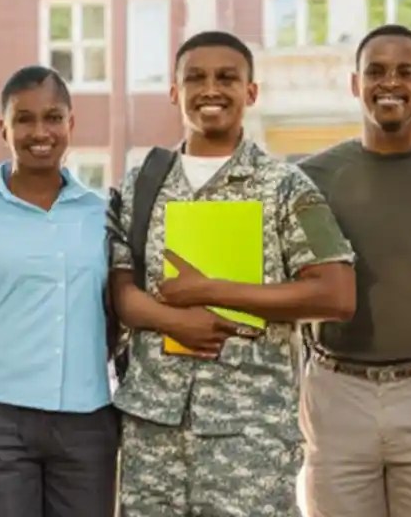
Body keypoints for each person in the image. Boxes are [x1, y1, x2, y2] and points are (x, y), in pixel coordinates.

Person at [107, 30, 357, 516]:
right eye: (195, 78)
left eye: (227, 78)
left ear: (251, 92)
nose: (211, 90)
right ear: (175, 91)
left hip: (249, 431)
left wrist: (214, 291)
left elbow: (337, 293)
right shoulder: (143, 182)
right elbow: (121, 290)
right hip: (152, 425)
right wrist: (174, 320)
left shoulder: (283, 185)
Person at [297, 24, 411, 517]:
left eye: (405, 72)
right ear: (355, 84)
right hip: (338, 393)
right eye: (375, 71)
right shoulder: (312, 178)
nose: (389, 82)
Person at [0, 66, 118, 517]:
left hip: (86, 422)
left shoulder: (103, 214)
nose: (39, 132)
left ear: (71, 124)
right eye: (24, 119)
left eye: (53, 117)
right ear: (3, 127)